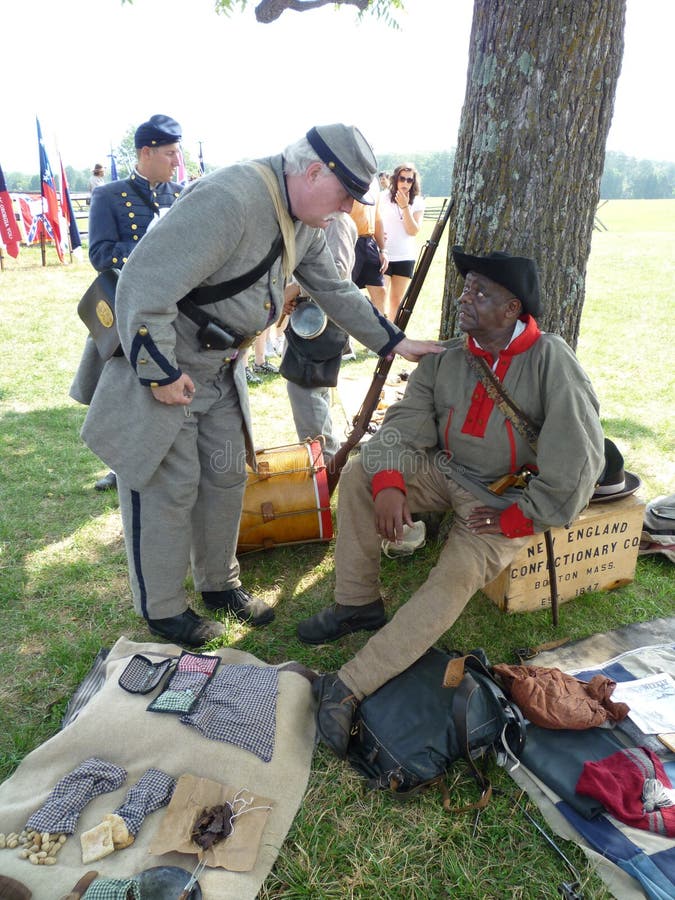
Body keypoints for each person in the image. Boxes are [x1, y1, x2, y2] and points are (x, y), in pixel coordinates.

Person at [78, 123, 443, 648]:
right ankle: (162, 611)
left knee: (225, 481)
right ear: (314, 172)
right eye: (344, 195)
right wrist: (158, 372)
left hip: (221, 367)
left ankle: (219, 585)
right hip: (168, 363)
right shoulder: (231, 198)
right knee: (167, 487)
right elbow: (143, 282)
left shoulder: (303, 218)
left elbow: (336, 290)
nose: (347, 209)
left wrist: (393, 343)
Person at [299, 247, 606, 759]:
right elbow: (406, 421)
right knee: (359, 475)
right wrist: (392, 481)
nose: (466, 298)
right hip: (443, 473)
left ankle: (348, 685)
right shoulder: (450, 357)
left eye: (481, 292)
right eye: (467, 288)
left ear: (513, 310)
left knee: (456, 573)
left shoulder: (551, 360)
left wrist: (519, 515)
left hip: (503, 497)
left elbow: (578, 461)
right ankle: (357, 603)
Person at [72, 115, 183, 492]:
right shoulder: (110, 195)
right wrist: (147, 248)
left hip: (172, 310)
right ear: (145, 152)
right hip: (126, 308)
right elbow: (100, 255)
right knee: (123, 386)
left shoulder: (181, 195)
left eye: (177, 153)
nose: (175, 161)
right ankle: (120, 463)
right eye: (169, 153)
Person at [283, 211, 358, 459]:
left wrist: (295, 288)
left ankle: (324, 467)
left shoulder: (338, 223)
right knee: (310, 395)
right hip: (307, 319)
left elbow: (337, 275)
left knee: (308, 395)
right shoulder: (316, 219)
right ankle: (323, 468)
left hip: (321, 324)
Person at [380, 163, 425, 320]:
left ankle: (393, 337)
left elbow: (413, 231)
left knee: (396, 301)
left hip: (405, 257)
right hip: (384, 255)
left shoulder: (418, 201)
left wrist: (405, 207)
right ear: (395, 179)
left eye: (409, 180)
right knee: (380, 298)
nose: (405, 183)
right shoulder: (383, 198)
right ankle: (378, 338)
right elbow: (373, 222)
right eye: (402, 179)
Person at [349, 183, 387, 316]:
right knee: (346, 293)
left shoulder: (375, 183)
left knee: (380, 290)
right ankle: (341, 335)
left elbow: (377, 217)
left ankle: (383, 334)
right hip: (348, 240)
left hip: (369, 242)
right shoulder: (349, 173)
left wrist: (383, 250)